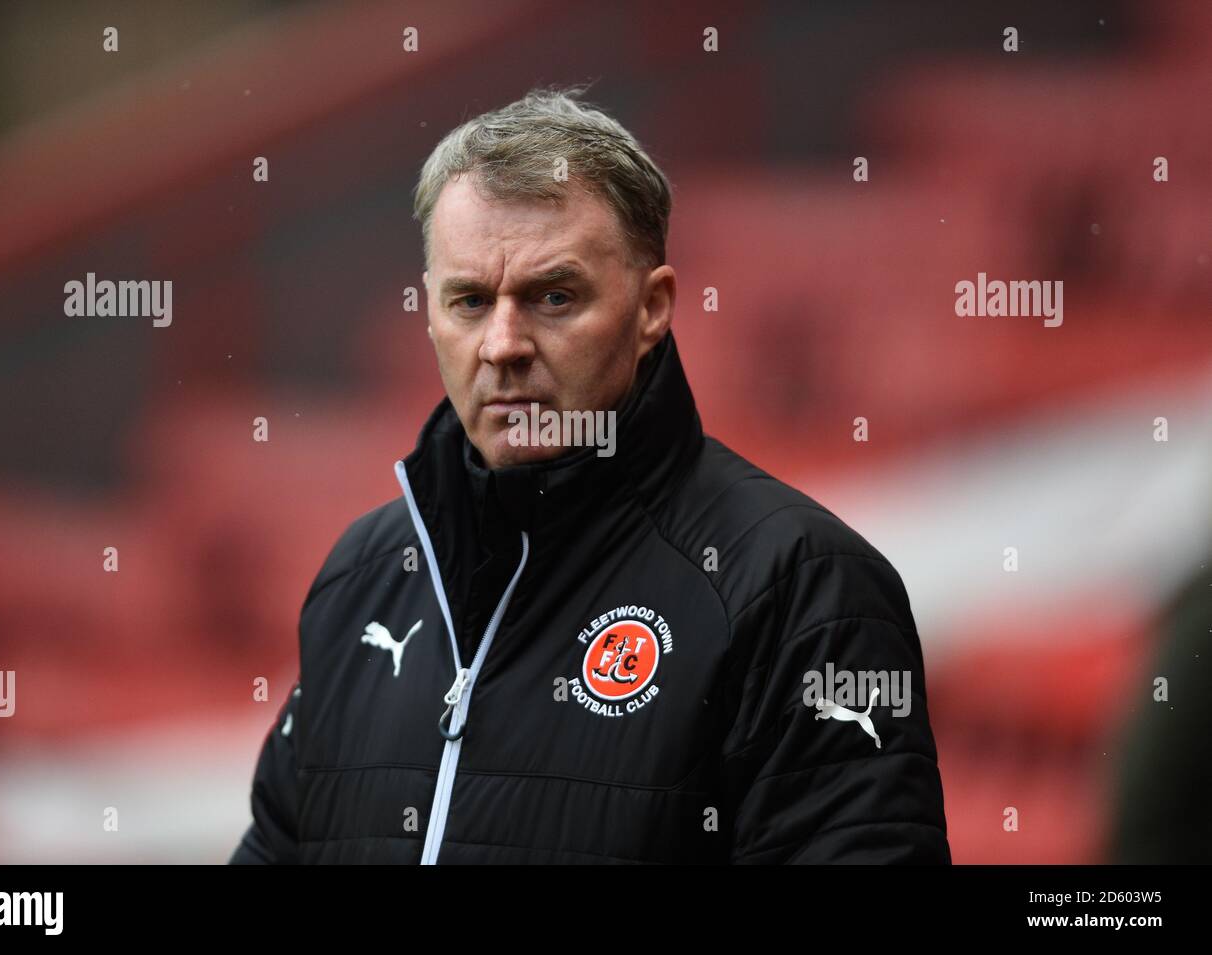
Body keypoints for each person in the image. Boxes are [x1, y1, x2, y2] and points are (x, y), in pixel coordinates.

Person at [230, 85, 950, 864]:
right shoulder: (360, 579)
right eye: (470, 300)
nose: (503, 343)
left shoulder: (802, 587)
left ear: (652, 308)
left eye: (554, 296)